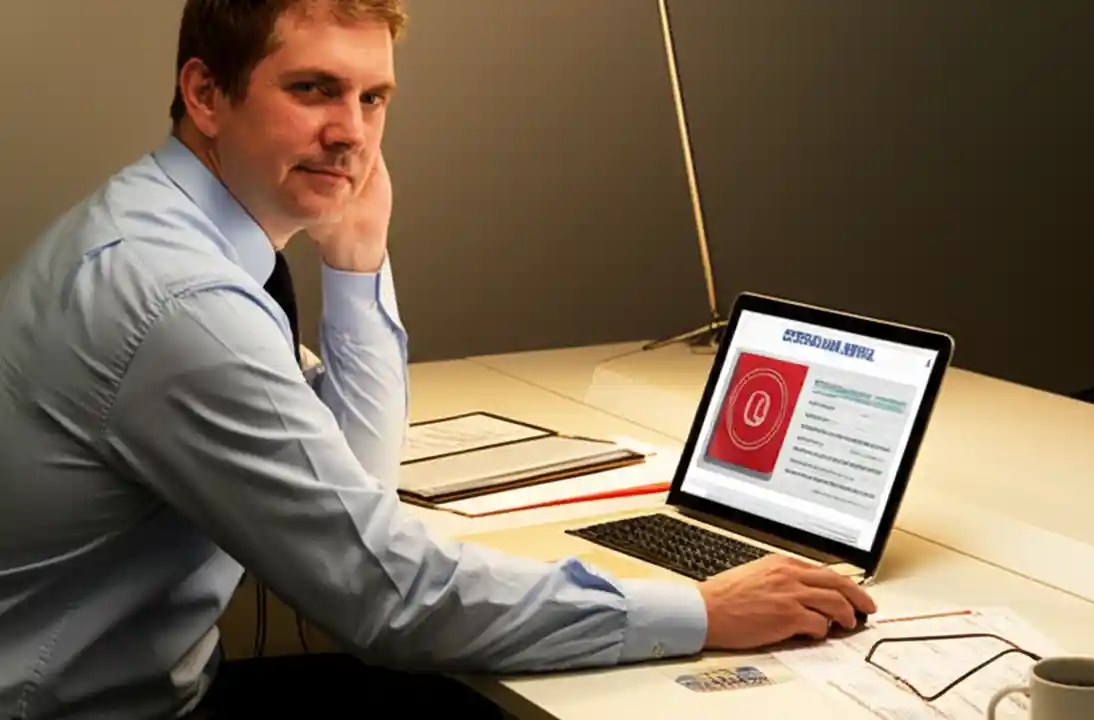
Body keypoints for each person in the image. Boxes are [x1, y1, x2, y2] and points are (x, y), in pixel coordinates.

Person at [0, 1, 877, 718]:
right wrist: (702, 610)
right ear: (205, 92)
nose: (351, 133)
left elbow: (352, 487)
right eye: (313, 89)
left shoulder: (163, 229)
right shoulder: (183, 301)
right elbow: (388, 598)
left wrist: (356, 261)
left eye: (374, 98)